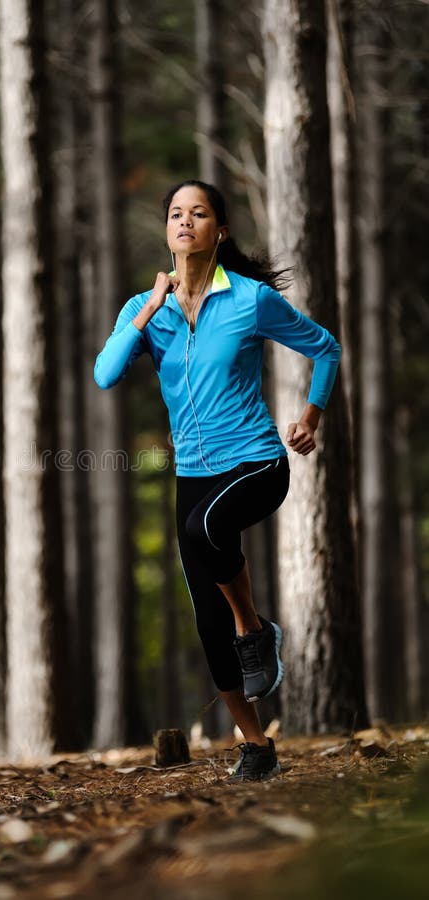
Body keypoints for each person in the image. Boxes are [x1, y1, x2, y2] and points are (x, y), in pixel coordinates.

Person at [93, 180, 341, 781]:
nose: (185, 222)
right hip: (192, 473)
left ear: (219, 231)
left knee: (204, 528)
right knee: (207, 616)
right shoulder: (143, 311)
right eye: (176, 214)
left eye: (199, 213)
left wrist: (310, 416)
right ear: (168, 230)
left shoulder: (251, 300)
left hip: (257, 462)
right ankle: (256, 745)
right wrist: (149, 311)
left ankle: (254, 628)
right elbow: (105, 374)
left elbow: (326, 348)